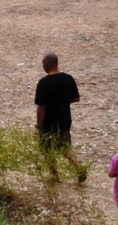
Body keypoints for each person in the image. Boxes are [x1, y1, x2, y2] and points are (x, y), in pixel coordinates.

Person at [34, 52, 85, 182]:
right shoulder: (68, 78)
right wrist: (63, 101)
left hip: (48, 123)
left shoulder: (43, 83)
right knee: (65, 148)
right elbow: (76, 98)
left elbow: (41, 107)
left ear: (46, 64)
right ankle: (79, 167)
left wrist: (38, 126)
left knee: (46, 149)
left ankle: (54, 175)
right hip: (65, 120)